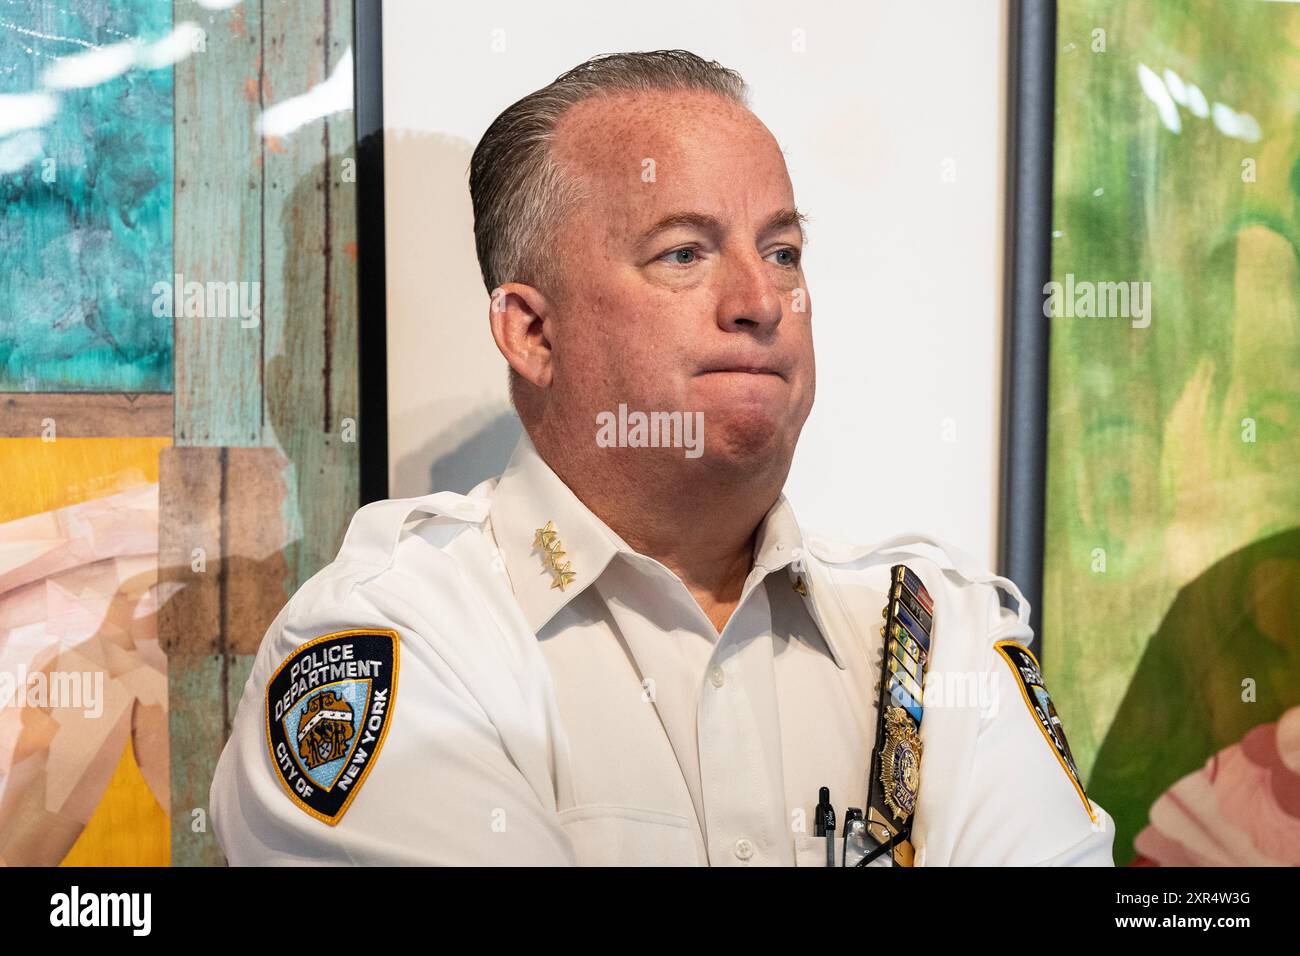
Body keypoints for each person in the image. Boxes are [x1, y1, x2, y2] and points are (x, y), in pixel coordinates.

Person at [210, 50, 1114, 866]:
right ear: (531, 331)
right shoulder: (397, 646)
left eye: (784, 251)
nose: (763, 300)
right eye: (684, 253)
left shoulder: (935, 630)